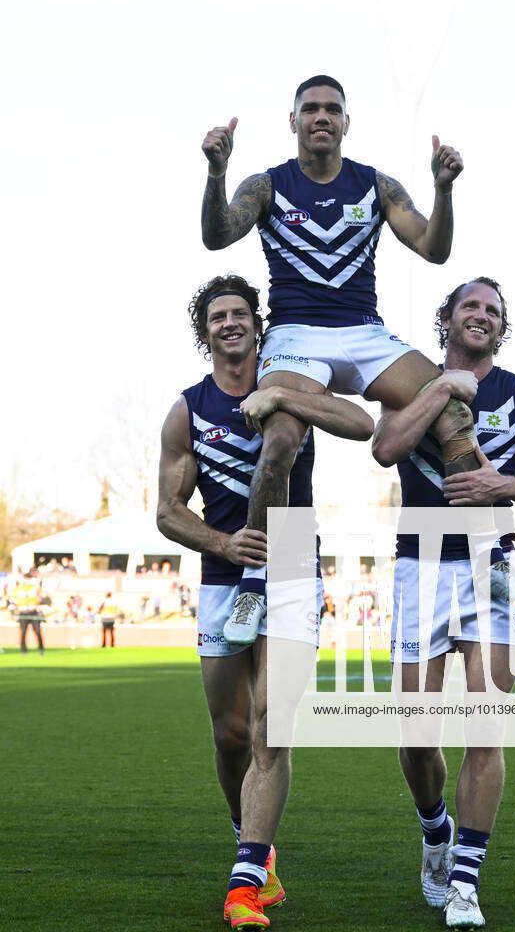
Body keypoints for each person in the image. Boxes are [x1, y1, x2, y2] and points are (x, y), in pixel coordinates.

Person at [201, 74, 476, 644]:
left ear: (346, 123)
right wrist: (216, 172)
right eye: (311, 109)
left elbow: (434, 248)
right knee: (279, 439)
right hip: (297, 335)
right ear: (294, 121)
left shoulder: (376, 186)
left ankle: (486, 554)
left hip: (363, 331)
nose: (321, 117)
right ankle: (255, 582)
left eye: (332, 109)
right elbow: (218, 235)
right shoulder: (268, 186)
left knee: (453, 411)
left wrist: (444, 190)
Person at [156, 273, 373, 929]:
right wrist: (223, 543)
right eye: (218, 316)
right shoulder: (187, 409)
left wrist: (279, 393)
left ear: (258, 324)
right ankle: (254, 842)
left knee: (269, 729)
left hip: (291, 573)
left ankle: (246, 880)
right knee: (229, 740)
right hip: (224, 577)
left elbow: (362, 422)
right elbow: (167, 512)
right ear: (205, 334)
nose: (230, 323)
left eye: (240, 313)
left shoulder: (289, 384)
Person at [372, 277, 515, 928]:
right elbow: (384, 448)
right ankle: (433, 830)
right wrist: (438, 390)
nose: (481, 316)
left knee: (485, 729)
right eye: (470, 305)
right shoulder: (411, 383)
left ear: (501, 327)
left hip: (490, 570)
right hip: (420, 567)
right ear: (448, 318)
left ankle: (464, 880)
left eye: (492, 310)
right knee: (416, 733)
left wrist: (502, 481)